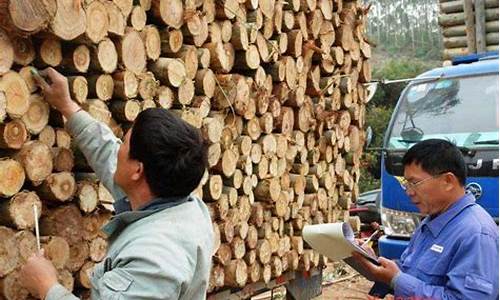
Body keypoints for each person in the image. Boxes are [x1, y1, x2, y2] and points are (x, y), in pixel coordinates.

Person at [20, 68, 214, 300]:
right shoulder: (174, 198)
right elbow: (108, 154)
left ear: (137, 170)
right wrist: (67, 106)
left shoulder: (154, 259)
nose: (118, 149)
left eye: (124, 144)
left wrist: (47, 287)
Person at [352, 139, 499, 299]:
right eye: (406, 184)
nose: (409, 192)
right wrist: (374, 262)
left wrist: (397, 280)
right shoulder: (431, 222)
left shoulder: (476, 234)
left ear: (448, 181)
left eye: (414, 183)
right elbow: (411, 271)